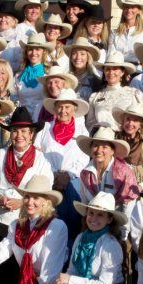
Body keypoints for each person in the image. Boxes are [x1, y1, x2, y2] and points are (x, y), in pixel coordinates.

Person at [0, 107, 54, 236]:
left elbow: (46, 193)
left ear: (31, 134)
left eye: (24, 131)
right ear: (10, 133)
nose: (19, 135)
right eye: (15, 131)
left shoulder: (41, 161)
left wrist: (22, 203)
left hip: (25, 220)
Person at [36, 88, 91, 242]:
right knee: (51, 223)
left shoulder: (82, 131)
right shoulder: (45, 128)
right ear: (55, 108)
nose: (63, 110)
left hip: (73, 180)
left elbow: (85, 156)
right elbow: (38, 152)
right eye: (60, 106)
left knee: (73, 222)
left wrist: (69, 174)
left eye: (67, 107)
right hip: (49, 180)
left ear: (74, 109)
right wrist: (53, 174)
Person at [77, 126, 140, 207]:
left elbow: (128, 203)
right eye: (95, 145)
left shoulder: (124, 172)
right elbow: (84, 202)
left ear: (112, 151)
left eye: (104, 147)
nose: (99, 150)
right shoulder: (85, 173)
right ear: (91, 148)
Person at [87, 52, 143, 130]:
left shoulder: (134, 94)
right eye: (108, 69)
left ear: (122, 72)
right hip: (102, 139)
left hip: (124, 140)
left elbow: (141, 124)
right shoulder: (95, 97)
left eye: (115, 69)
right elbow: (90, 124)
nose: (111, 73)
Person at [112, 102, 143, 185]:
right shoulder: (113, 139)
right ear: (123, 121)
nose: (130, 123)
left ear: (140, 125)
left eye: (135, 120)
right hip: (114, 184)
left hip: (139, 188)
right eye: (128, 119)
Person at [12, 34, 52, 118]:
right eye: (30, 49)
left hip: (42, 118)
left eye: (37, 49)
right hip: (23, 120)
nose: (33, 53)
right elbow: (14, 99)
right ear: (26, 52)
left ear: (43, 51)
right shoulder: (19, 75)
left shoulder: (49, 74)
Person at [109, 0, 143, 65]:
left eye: (132, 7)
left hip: (139, 72)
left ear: (138, 11)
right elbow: (111, 55)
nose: (129, 10)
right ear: (123, 10)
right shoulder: (114, 33)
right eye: (126, 7)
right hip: (119, 70)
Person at [66, 36, 102, 101]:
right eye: (74, 54)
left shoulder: (94, 80)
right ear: (70, 57)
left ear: (88, 57)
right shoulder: (66, 78)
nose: (78, 57)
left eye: (82, 54)